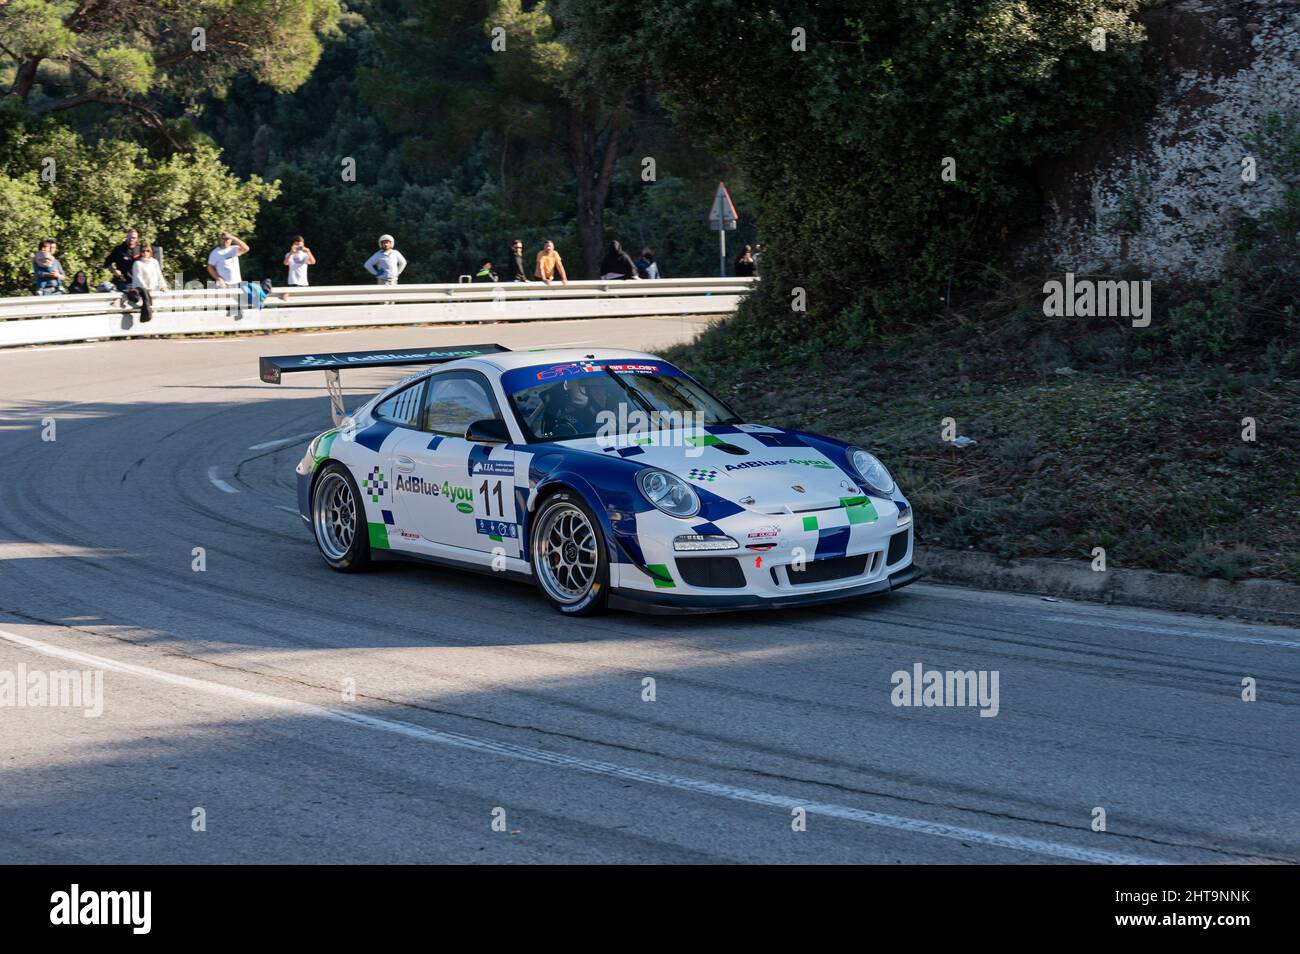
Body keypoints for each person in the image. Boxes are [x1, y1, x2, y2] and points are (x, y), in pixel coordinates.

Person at [130, 242, 168, 323]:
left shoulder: (154, 262)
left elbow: (159, 275)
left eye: (147, 251)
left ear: (150, 252)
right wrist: (146, 289)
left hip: (154, 290)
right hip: (142, 292)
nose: (145, 253)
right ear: (140, 252)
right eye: (143, 251)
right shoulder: (137, 264)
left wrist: (163, 286)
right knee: (144, 309)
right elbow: (138, 278)